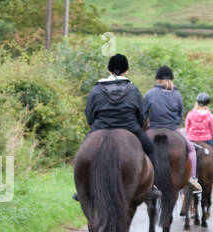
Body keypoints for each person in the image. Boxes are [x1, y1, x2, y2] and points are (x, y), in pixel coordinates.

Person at [84, 54, 162, 197]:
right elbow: (141, 115)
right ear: (126, 71)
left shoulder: (97, 89)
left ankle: (82, 188)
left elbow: (89, 114)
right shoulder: (133, 89)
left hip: (100, 127)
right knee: (151, 149)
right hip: (129, 127)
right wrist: (135, 126)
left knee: (82, 152)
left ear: (109, 70)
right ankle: (153, 186)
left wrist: (97, 125)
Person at [143, 65, 201, 194]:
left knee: (139, 149)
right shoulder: (177, 94)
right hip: (174, 129)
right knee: (191, 150)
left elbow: (143, 114)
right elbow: (180, 115)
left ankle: (140, 178)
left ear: (158, 80)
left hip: (153, 129)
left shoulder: (150, 94)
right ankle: (192, 179)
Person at [184, 92, 213, 183]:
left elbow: (187, 127)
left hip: (192, 139)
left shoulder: (190, 114)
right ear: (207, 104)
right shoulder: (210, 116)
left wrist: (190, 135)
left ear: (197, 103)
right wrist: (211, 137)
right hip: (206, 140)